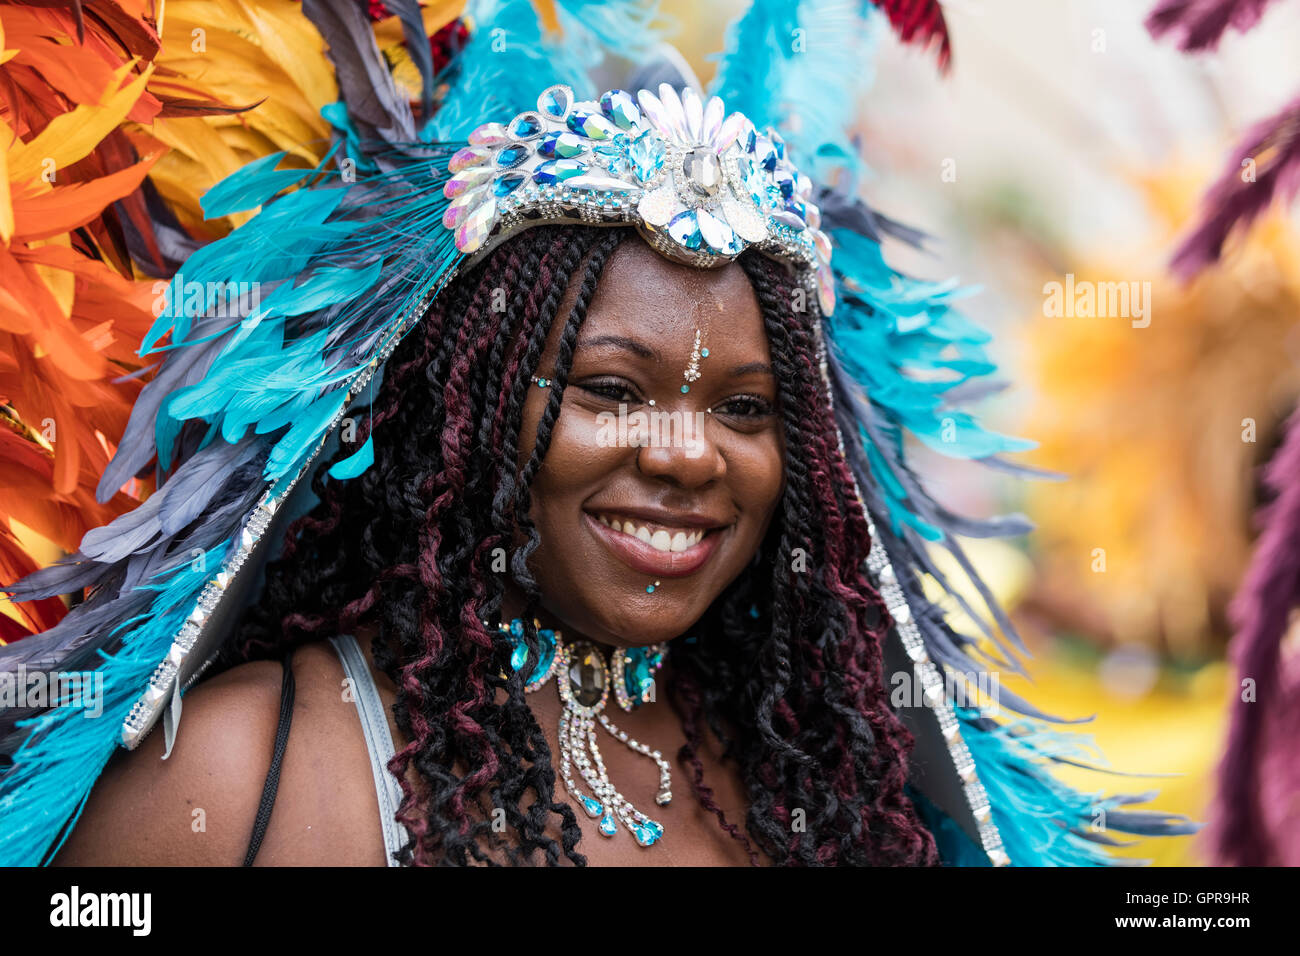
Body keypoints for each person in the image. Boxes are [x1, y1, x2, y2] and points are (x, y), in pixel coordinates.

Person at [0, 0, 1194, 867]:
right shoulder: (236, 774)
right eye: (611, 390)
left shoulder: (818, 778)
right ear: (461, 411)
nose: (686, 454)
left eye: (744, 408)